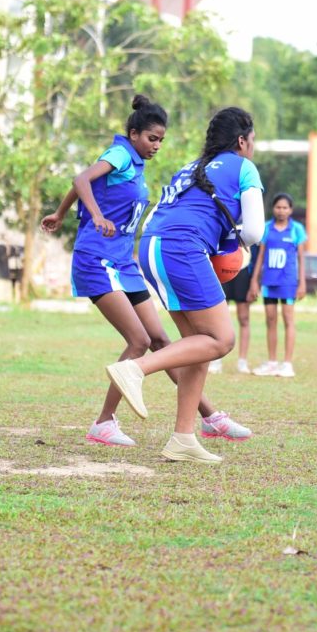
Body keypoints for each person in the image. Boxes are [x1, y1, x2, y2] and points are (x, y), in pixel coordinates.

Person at [41, 96, 252, 448]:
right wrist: (92, 215)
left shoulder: (135, 163)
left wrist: (61, 213)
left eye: (161, 140)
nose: (156, 146)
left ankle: (210, 416)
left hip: (124, 262)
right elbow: (82, 179)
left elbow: (81, 187)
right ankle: (104, 422)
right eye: (152, 138)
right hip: (99, 260)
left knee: (162, 341)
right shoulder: (121, 154)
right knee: (139, 341)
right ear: (134, 133)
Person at [103, 106, 265, 464]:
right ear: (242, 141)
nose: (253, 148)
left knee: (199, 344)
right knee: (221, 339)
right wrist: (238, 244)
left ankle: (183, 438)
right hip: (181, 247)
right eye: (252, 141)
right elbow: (254, 231)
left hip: (151, 245)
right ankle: (135, 369)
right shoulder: (244, 167)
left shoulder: (193, 167)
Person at [248, 193, 307, 377]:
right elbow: (260, 258)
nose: (281, 210)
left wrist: (302, 283)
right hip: (269, 281)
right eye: (278, 207)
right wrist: (254, 281)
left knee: (288, 319)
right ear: (273, 208)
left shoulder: (296, 229)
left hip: (288, 281)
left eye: (285, 207)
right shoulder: (266, 228)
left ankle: (287, 364)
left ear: (290, 210)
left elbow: (301, 259)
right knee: (270, 320)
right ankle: (272, 362)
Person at [214, 243, 259, 374]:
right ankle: (216, 360)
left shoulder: (250, 224)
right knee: (218, 318)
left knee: (244, 318)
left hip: (244, 271)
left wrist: (255, 282)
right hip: (222, 267)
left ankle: (242, 361)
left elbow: (257, 254)